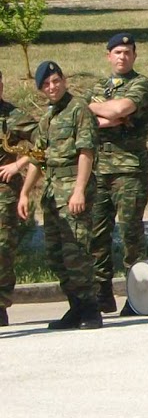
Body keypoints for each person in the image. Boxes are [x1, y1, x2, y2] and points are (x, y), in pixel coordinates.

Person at [87, 32, 148, 315]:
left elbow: (121, 107)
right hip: (99, 170)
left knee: (131, 233)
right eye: (117, 52)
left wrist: (110, 112)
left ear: (134, 56)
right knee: (96, 234)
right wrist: (108, 115)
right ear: (108, 56)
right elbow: (87, 115)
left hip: (130, 170)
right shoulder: (98, 85)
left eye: (127, 52)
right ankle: (101, 295)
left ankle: (137, 295)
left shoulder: (141, 84)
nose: (122, 57)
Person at [27, 62, 99, 329]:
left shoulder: (77, 109)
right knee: (57, 254)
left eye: (56, 81)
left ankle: (91, 309)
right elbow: (38, 158)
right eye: (46, 84)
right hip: (52, 193)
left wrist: (79, 189)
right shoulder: (48, 117)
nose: (52, 87)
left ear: (64, 81)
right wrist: (25, 193)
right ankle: (75, 306)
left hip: (73, 190)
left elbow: (86, 152)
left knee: (77, 252)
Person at [0, 70, 39, 328]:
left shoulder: (13, 116)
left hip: (2, 193)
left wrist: (18, 165)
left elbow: (44, 143)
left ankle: (0, 305)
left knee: (2, 249)